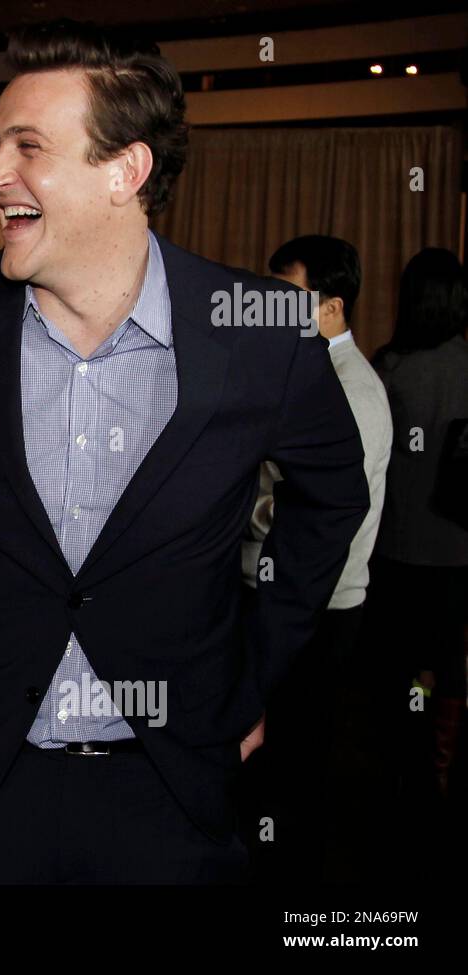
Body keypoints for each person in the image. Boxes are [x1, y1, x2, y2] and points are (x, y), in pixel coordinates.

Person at [0, 19, 368, 884]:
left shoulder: (261, 332)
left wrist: (251, 670)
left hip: (170, 792)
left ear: (126, 171)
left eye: (28, 146)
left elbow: (334, 495)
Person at [240, 234, 392, 881]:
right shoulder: (300, 369)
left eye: (287, 297)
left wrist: (240, 504)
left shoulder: (351, 388)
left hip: (314, 604)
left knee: (292, 763)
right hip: (286, 594)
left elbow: (321, 509)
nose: (271, 308)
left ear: (331, 308)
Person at [369, 248, 468, 802]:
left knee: (402, 665)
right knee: (446, 659)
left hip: (401, 544)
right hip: (457, 549)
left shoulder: (392, 369)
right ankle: (441, 765)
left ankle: (405, 766)